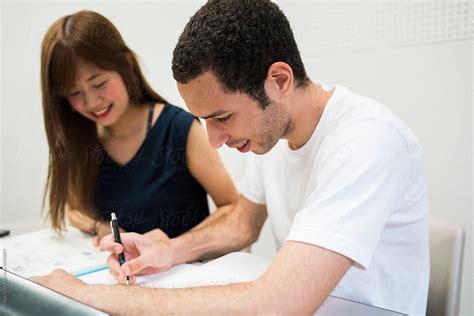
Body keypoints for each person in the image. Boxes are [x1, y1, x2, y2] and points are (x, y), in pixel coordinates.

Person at [33, 1, 429, 314]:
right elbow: (242, 221)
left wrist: (94, 296)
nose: (215, 140)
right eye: (206, 121)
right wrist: (171, 250)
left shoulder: (367, 140)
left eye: (222, 118)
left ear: (278, 81)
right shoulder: (270, 136)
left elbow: (278, 304)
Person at [40, 10, 238, 246]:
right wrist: (101, 228)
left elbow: (234, 209)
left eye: (99, 84)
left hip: (185, 274)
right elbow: (74, 209)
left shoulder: (179, 129)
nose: (92, 102)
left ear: (126, 64)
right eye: (74, 93)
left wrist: (174, 248)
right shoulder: (83, 137)